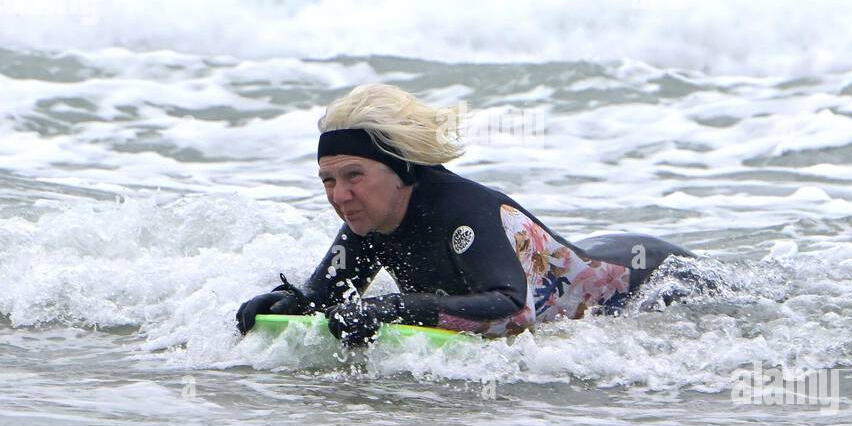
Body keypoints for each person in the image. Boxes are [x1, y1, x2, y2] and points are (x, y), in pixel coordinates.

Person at [235, 84, 698, 343]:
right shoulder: (368, 222)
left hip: (660, 281)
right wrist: (281, 305)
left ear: (401, 170)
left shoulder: (465, 210)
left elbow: (513, 311)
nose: (341, 195)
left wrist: (396, 310)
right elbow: (326, 297)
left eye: (354, 175)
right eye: (328, 181)